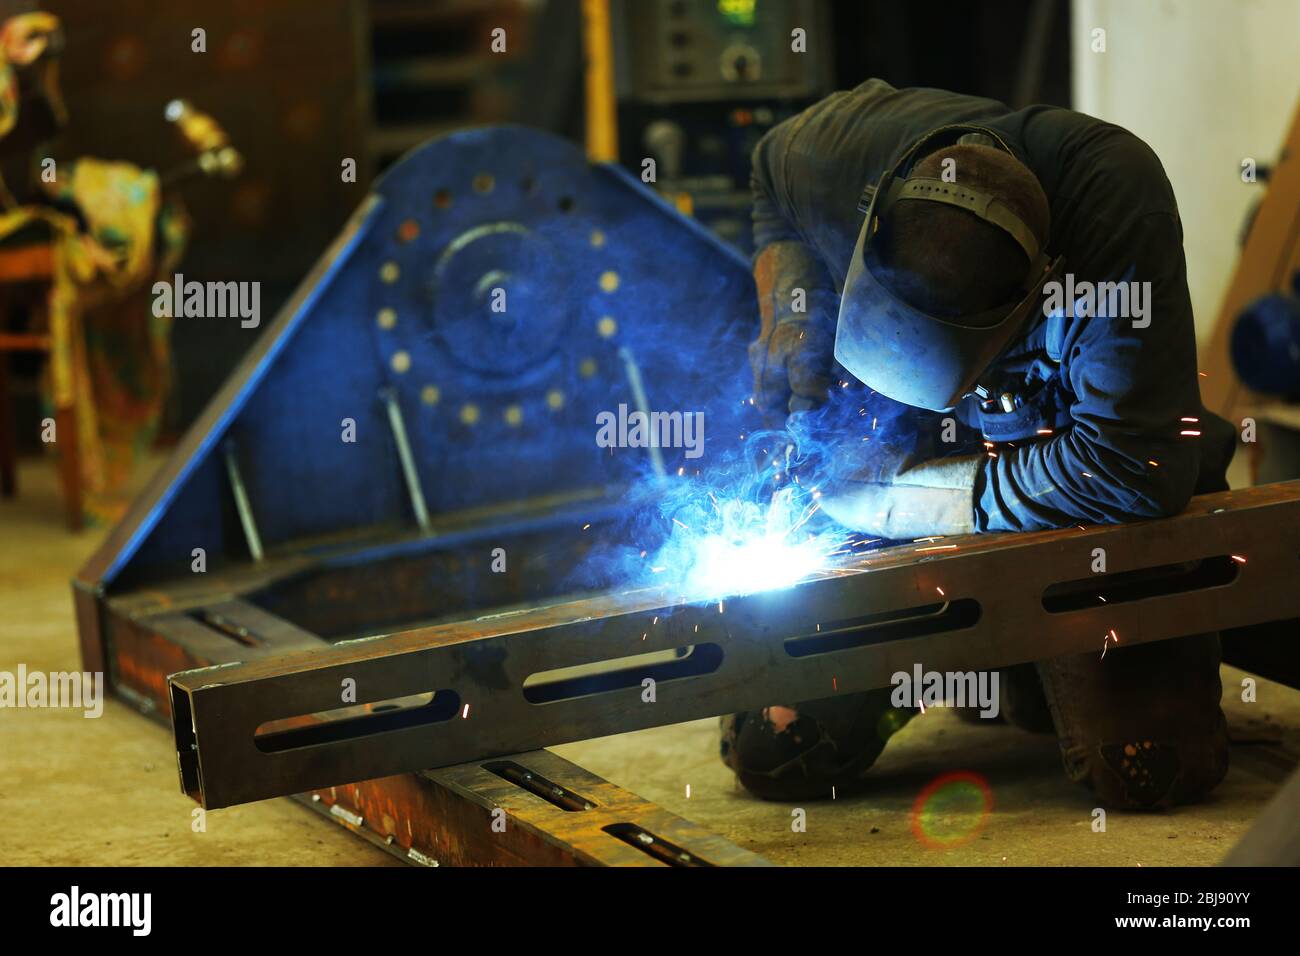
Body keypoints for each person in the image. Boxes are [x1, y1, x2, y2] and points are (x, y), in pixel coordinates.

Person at [722, 78, 1236, 810]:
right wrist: (791, 313)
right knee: (778, 749)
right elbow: (769, 178)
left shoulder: (1116, 206)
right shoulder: (842, 149)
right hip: (905, 448)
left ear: (1035, 295)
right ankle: (963, 665)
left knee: (1146, 769)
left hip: (1075, 493)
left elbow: (1132, 470)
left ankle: (1021, 666)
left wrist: (902, 506)